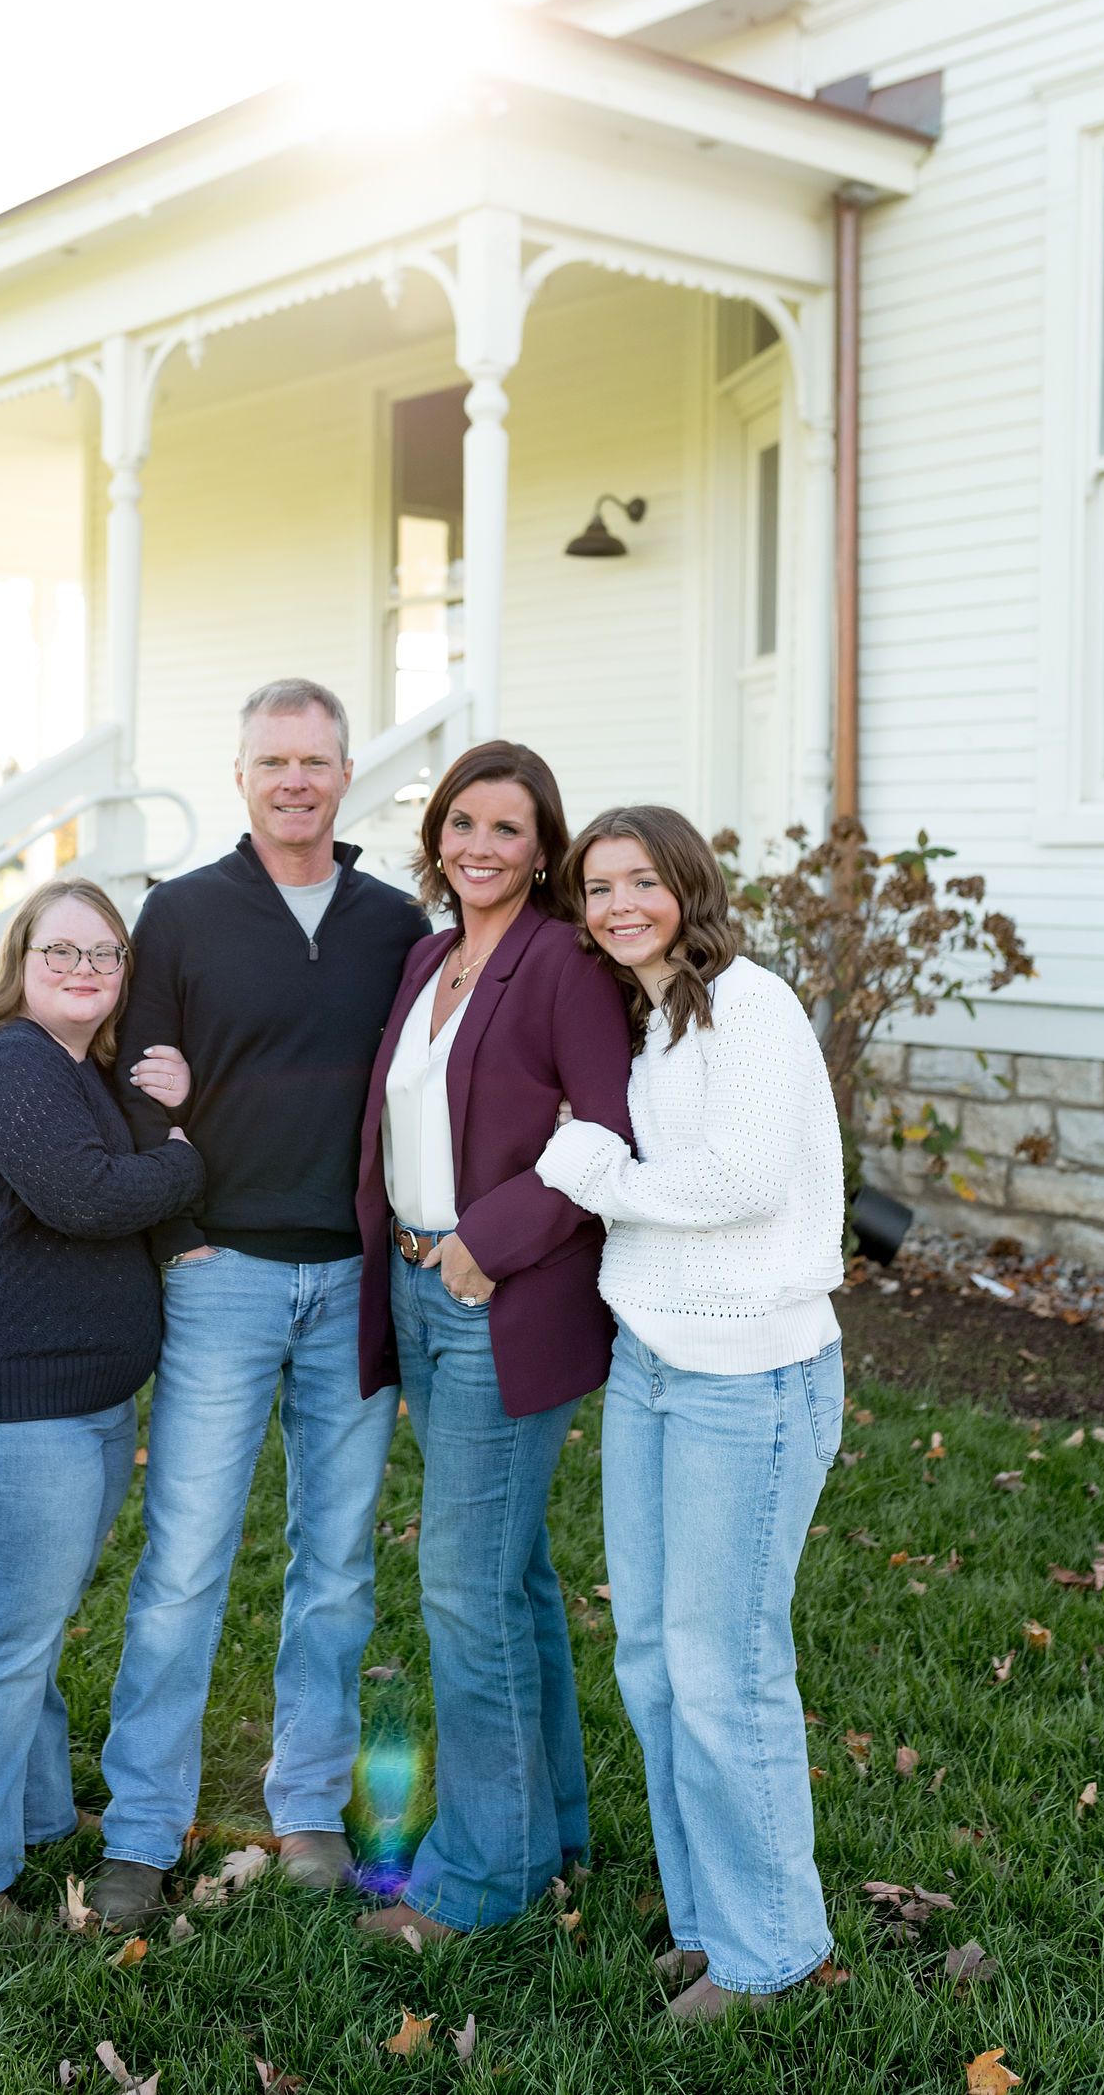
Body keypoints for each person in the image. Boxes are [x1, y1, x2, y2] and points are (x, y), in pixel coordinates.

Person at [91, 677, 430, 1926]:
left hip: (351, 1280)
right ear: (239, 776)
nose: (295, 778)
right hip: (221, 1275)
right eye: (272, 759)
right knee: (184, 1561)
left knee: (335, 1565)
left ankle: (306, 1813)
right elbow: (136, 1079)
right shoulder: (177, 915)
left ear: (348, 776)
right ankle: (140, 1827)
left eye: (317, 760)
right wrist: (177, 1236)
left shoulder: (399, 924)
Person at [534, 806, 845, 2017]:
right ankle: (717, 1922)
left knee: (724, 1668)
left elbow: (739, 1181)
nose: (616, 905)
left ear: (686, 886)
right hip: (657, 1366)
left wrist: (593, 1171)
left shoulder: (747, 1005)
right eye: (596, 887)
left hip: (749, 1378)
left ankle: (772, 1953)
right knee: (656, 1660)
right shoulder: (656, 1016)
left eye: (639, 882)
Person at [348, 741, 634, 1941]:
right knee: (507, 1579)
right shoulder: (429, 958)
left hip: (496, 1296)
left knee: (463, 1588)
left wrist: (489, 1240)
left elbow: (608, 1134)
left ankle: (482, 1878)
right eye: (462, 822)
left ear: (542, 847)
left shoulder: (562, 960)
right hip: (416, 1290)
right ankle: (548, 1829)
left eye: (506, 830)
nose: (478, 846)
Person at [0, 877, 204, 1926]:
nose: (82, 970)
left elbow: (107, 1155)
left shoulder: (77, 1072)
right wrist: (185, 1159)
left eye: (103, 955)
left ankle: (26, 1816)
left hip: (66, 1399)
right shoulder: (16, 1065)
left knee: (26, 1621)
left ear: (123, 976)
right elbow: (88, 1198)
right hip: (1, 1404)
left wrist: (157, 1105)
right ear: (20, 965)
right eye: (60, 951)